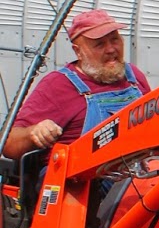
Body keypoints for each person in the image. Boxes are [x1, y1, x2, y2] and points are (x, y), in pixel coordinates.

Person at [2, 9, 150, 160]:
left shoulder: (133, 77)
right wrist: (33, 133)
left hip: (136, 166)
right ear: (78, 52)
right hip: (83, 173)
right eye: (99, 44)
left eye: (114, 40)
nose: (111, 49)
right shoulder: (58, 85)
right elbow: (8, 144)